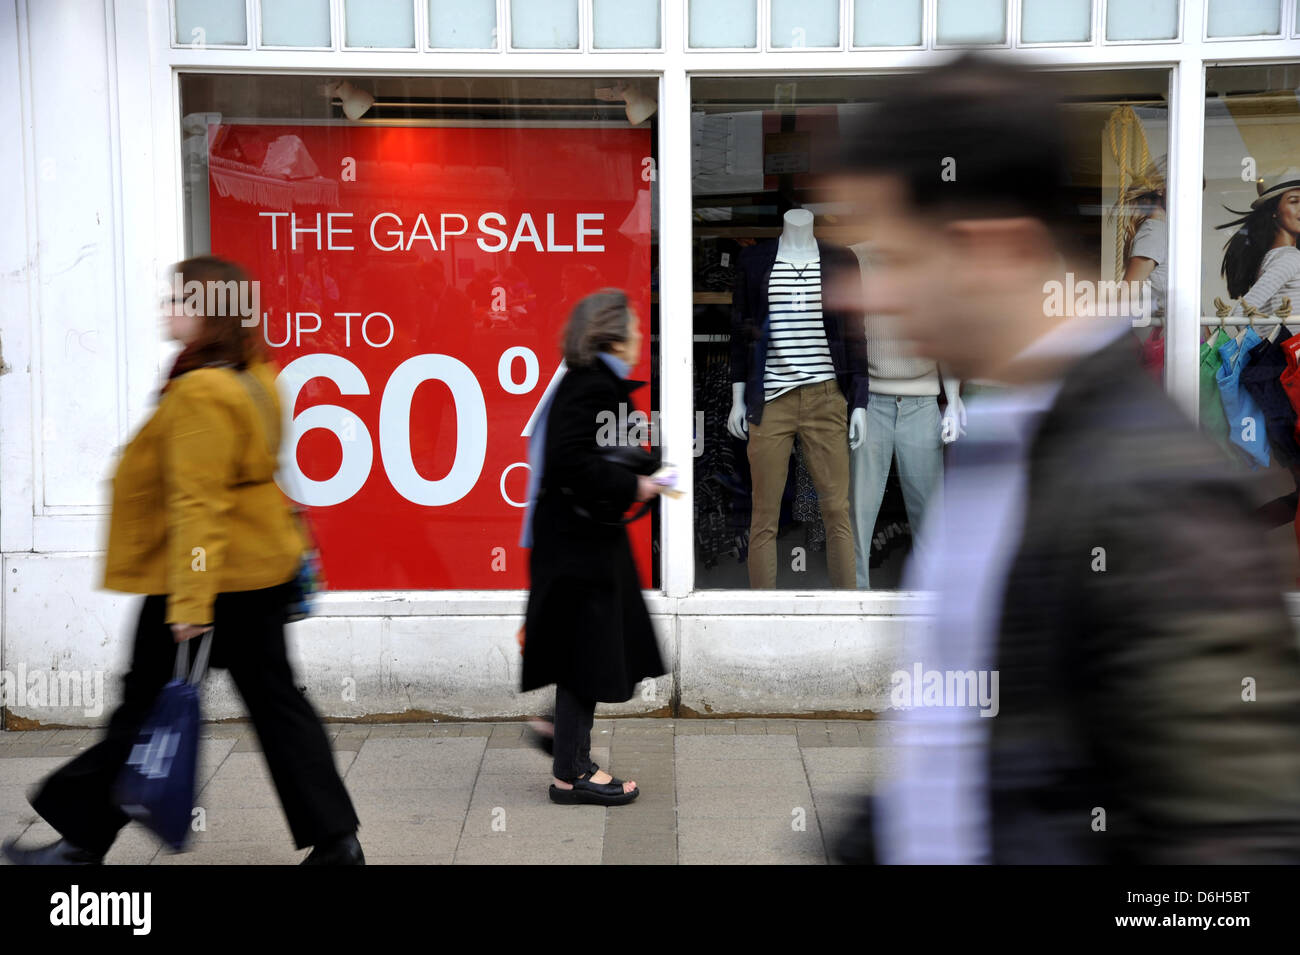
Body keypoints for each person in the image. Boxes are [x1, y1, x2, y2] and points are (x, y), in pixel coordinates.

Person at [830, 54, 1300, 864]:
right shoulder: (1002, 440)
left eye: (897, 258)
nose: (861, 295)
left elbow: (1234, 853)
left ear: (993, 251)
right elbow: (969, 762)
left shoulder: (1149, 490)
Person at [2, 256, 364, 865]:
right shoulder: (255, 374)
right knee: (279, 709)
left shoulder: (200, 389)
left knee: (142, 706)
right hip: (257, 573)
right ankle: (336, 843)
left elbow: (199, 503)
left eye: (180, 301)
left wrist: (190, 603)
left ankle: (80, 843)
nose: (167, 310)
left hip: (205, 581)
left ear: (210, 314)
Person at [518, 289, 667, 806]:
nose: (641, 336)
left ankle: (562, 743)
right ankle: (572, 771)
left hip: (577, 538)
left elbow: (607, 450)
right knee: (587, 649)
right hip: (579, 542)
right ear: (611, 332)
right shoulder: (593, 385)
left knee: (582, 647)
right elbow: (573, 462)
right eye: (634, 327)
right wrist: (639, 486)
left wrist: (648, 469)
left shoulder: (589, 381)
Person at [1216, 168, 1300, 320]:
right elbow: (1240, 315)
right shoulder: (1290, 259)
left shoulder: (1275, 256)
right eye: (1294, 201)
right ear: (1274, 210)